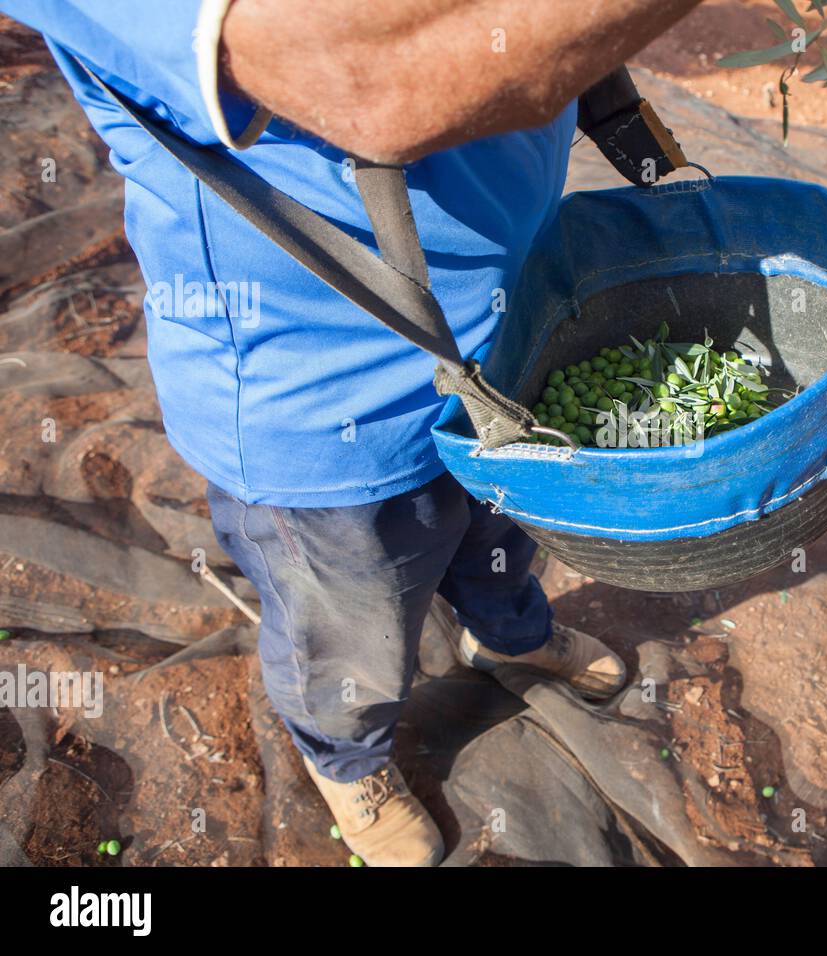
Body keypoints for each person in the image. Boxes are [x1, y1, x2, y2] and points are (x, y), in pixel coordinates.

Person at [2, 0, 702, 866]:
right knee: (353, 625)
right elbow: (368, 78)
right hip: (327, 411)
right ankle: (348, 755)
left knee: (500, 530)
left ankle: (506, 632)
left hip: (504, 341)